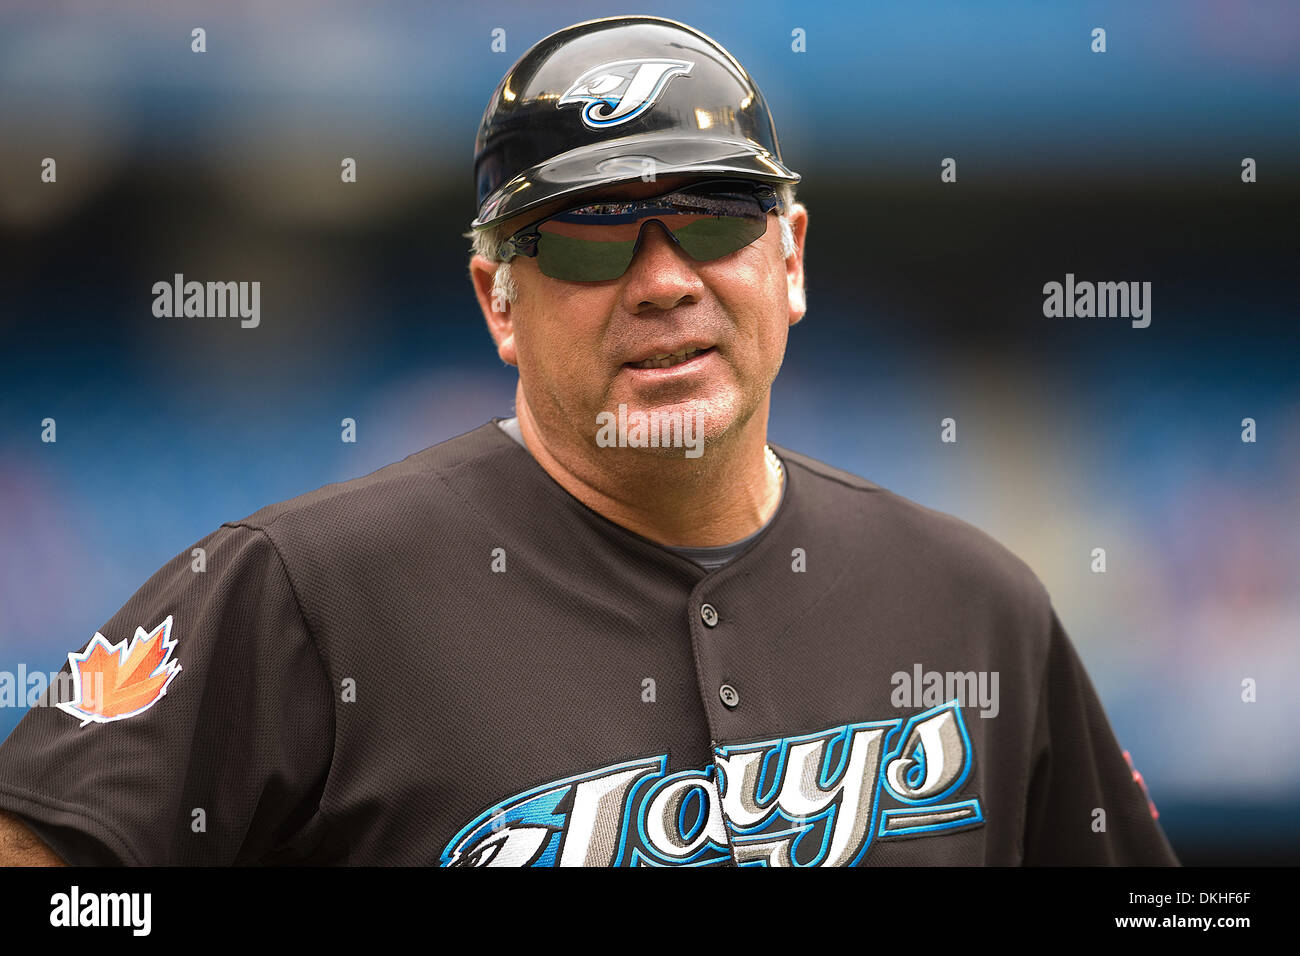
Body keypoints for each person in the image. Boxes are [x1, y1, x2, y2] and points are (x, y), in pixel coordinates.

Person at [0, 15, 1177, 866]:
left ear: (792, 257)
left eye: (713, 214)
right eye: (584, 235)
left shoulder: (974, 601)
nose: (663, 280)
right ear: (497, 299)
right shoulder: (302, 589)